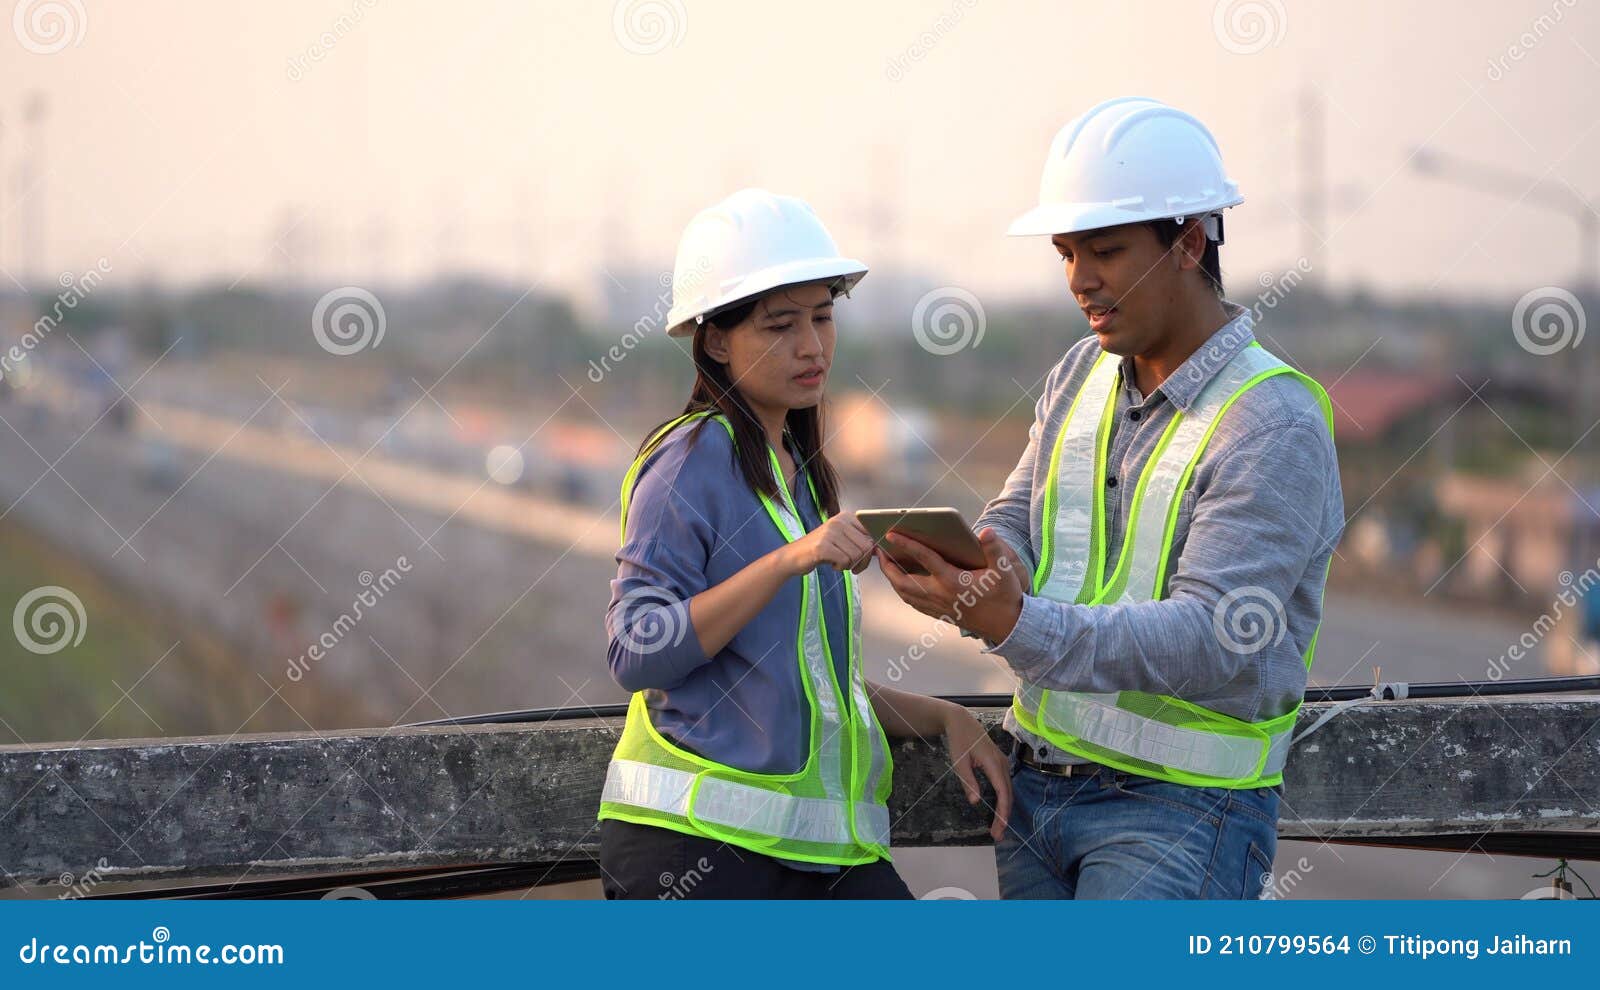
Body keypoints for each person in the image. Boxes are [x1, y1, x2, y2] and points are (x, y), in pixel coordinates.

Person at [876, 98, 1345, 899]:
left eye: (1105, 251)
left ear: (1191, 240)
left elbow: (1213, 639)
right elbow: (1021, 516)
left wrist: (1013, 622)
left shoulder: (1273, 422)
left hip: (1180, 814)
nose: (1078, 280)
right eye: (1065, 253)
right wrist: (990, 563)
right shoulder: (1079, 374)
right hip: (1034, 793)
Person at [596, 188, 1010, 899]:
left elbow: (815, 683)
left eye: (822, 317)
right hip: (693, 854)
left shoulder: (801, 473)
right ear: (717, 340)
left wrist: (944, 716)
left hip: (818, 860)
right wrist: (792, 559)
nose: (812, 345)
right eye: (780, 325)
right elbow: (636, 649)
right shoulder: (687, 463)